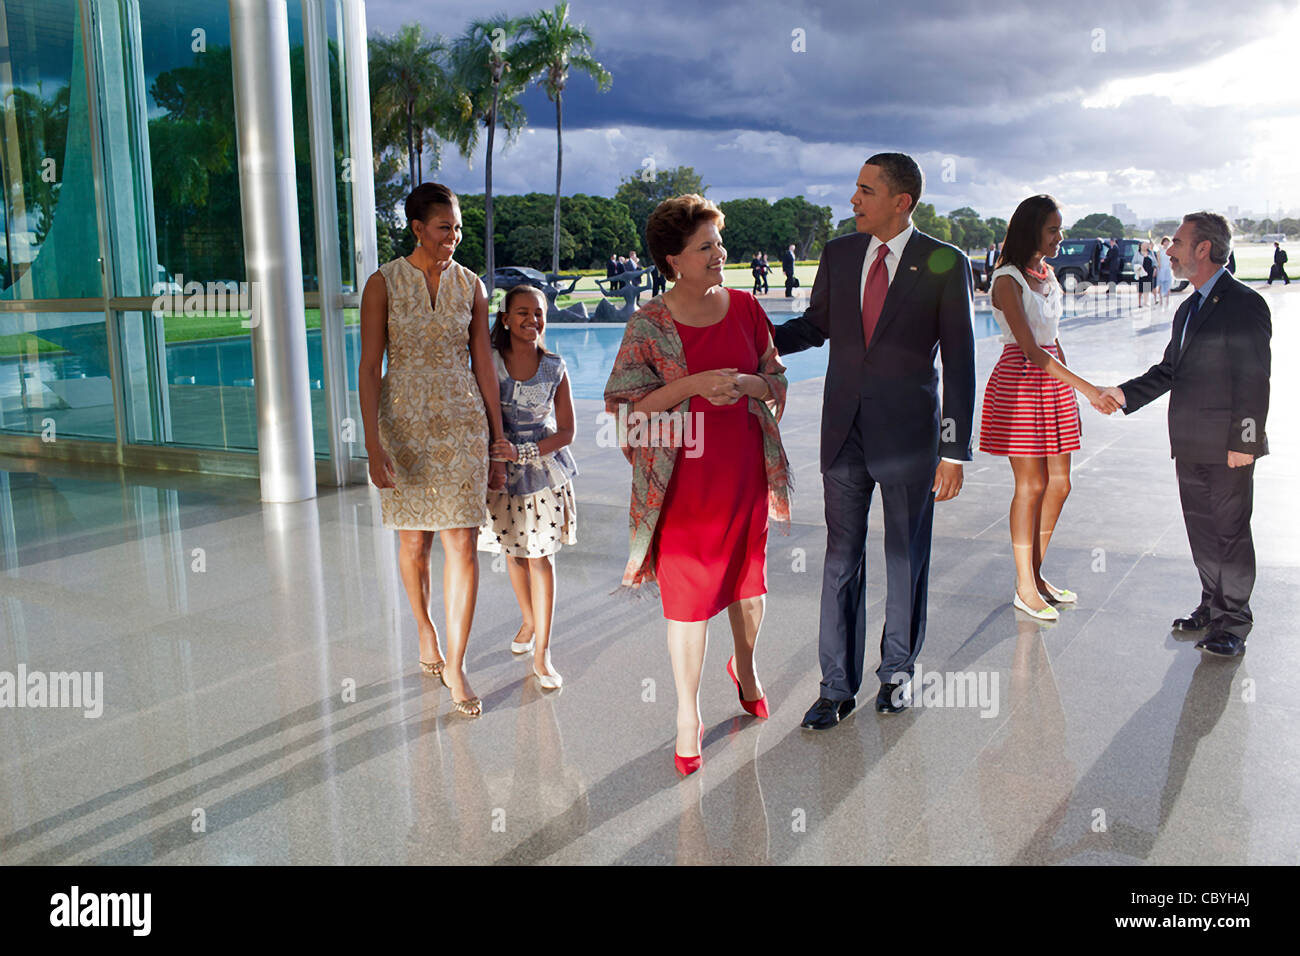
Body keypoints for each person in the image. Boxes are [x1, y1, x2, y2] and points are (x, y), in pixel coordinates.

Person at [772, 152, 976, 723]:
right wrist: (752, 335)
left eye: (865, 190)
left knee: (905, 556)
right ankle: (836, 687)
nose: (853, 200)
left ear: (901, 202)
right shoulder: (838, 254)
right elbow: (815, 326)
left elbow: (960, 361)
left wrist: (954, 450)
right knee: (841, 558)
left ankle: (897, 674)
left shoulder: (943, 262)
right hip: (843, 432)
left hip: (911, 439)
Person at [604, 194, 792, 775]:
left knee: (748, 589)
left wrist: (746, 384)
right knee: (686, 603)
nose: (720, 254)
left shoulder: (746, 307)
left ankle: (745, 664)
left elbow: (776, 380)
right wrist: (693, 385)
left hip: (743, 474)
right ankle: (687, 714)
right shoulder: (648, 324)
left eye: (719, 242)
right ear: (673, 260)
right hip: (682, 484)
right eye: (705, 246)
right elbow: (622, 412)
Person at [358, 182, 507, 718]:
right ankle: (425, 630)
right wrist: (373, 444)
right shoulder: (382, 284)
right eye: (445, 227)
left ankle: (457, 663)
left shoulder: (472, 286)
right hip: (403, 426)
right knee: (415, 544)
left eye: (459, 228)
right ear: (417, 228)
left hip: (462, 424)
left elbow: (484, 364)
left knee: (462, 545)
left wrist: (496, 434)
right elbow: (370, 366)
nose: (454, 237)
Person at [1099, 212, 1271, 657]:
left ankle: (1233, 622)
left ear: (1204, 249)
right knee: (1202, 530)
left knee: (1230, 533)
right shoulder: (1188, 307)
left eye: (1177, 242)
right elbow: (1170, 370)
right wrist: (1122, 394)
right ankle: (1213, 606)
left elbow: (1255, 380)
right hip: (1190, 441)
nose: (1169, 250)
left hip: (1227, 446)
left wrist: (1244, 443)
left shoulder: (1244, 303)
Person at [979, 195, 1121, 621]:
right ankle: (1025, 584)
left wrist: (1073, 388)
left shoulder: (1048, 274)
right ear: (1032, 231)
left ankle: (1036, 575)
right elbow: (1030, 350)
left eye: (1060, 228)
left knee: (1060, 483)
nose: (1061, 236)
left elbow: (1053, 341)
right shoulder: (1007, 279)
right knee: (1032, 485)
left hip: (1054, 382)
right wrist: (1089, 389)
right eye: (1053, 230)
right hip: (1021, 383)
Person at [478, 285, 578, 689]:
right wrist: (497, 458)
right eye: (522, 312)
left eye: (538, 313)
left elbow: (568, 431)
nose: (532, 320)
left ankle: (543, 653)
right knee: (514, 552)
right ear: (504, 319)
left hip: (541, 474)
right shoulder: (488, 362)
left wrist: (525, 452)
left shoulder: (555, 365)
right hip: (498, 472)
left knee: (542, 559)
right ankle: (528, 620)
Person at [1155, 236, 1174, 308]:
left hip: (1168, 269)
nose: (1166, 243)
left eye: (1167, 241)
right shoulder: (1160, 251)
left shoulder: (1170, 251)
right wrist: (1159, 268)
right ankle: (1160, 300)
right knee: (1160, 284)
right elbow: (1159, 261)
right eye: (1165, 241)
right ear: (1163, 242)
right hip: (1162, 269)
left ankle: (1167, 300)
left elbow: (1171, 261)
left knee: (1168, 285)